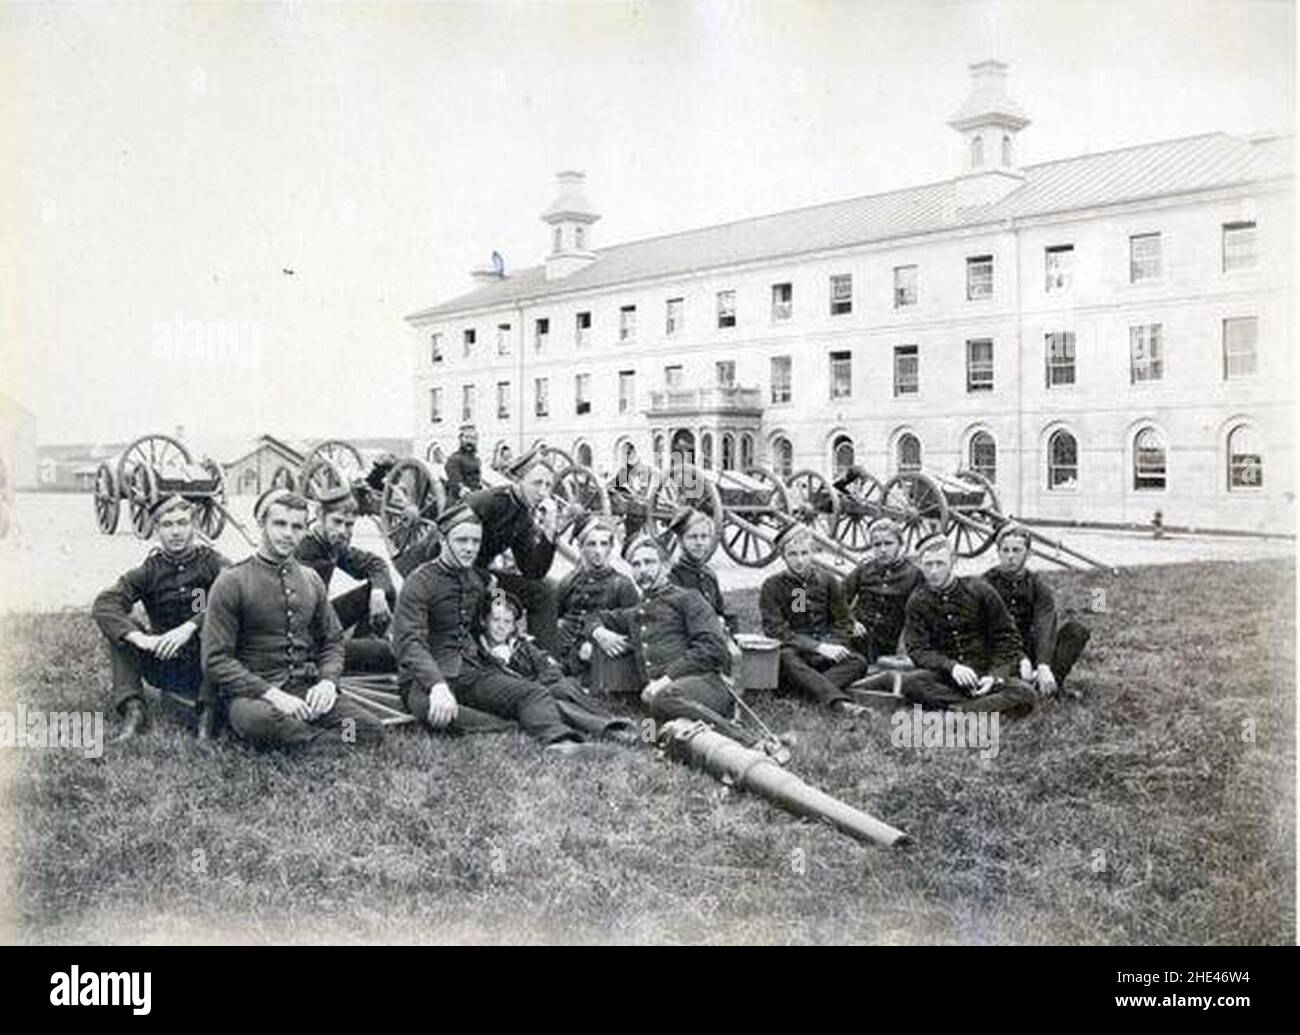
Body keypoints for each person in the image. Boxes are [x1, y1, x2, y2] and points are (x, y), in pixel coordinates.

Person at [201, 489, 385, 749]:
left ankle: (305, 737)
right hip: (253, 695)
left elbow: (332, 641)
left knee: (366, 728)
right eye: (279, 524)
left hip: (303, 688)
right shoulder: (232, 581)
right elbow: (216, 660)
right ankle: (318, 737)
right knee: (259, 721)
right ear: (261, 524)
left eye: (297, 526)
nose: (288, 534)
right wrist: (274, 695)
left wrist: (327, 682)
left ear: (305, 529)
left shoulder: (310, 579)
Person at [392, 503, 585, 749]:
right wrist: (437, 686)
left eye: (475, 541)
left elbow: (496, 605)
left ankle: (564, 741)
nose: (470, 548)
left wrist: (505, 628)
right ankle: (521, 726)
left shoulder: (475, 579)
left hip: (471, 672)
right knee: (491, 724)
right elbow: (409, 643)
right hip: (425, 683)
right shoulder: (419, 582)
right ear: (442, 539)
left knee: (531, 694)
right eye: (462, 540)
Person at [586, 533, 785, 757]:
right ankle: (682, 738)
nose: (643, 570)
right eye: (636, 564)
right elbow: (593, 617)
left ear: (665, 565)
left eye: (649, 562)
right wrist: (598, 632)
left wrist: (664, 680)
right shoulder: (636, 612)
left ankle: (749, 742)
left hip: (707, 686)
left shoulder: (689, 599)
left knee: (664, 698)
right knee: (645, 741)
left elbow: (712, 648)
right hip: (658, 699)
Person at [396, 447, 562, 654]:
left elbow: (533, 572)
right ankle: (498, 646)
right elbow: (439, 549)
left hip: (478, 576)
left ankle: (545, 660)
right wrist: (483, 579)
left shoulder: (523, 516)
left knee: (542, 591)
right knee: (497, 594)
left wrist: (549, 531)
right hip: (428, 570)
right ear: (519, 481)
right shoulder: (485, 501)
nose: (543, 492)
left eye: (547, 485)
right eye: (537, 483)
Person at [92, 495, 230, 740]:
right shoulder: (149, 571)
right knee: (124, 629)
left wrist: (190, 627)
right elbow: (105, 603)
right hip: (165, 661)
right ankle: (134, 710)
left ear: (194, 526)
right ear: (156, 530)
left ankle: (206, 717)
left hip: (208, 664)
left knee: (214, 619)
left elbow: (232, 599)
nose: (175, 532)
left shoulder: (212, 564)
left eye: (182, 523)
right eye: (167, 525)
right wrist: (141, 639)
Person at [901, 534, 1037, 717]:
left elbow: (1008, 637)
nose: (933, 571)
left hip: (985, 674)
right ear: (920, 565)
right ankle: (978, 708)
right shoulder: (917, 601)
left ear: (953, 561)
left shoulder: (980, 590)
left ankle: (957, 709)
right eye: (928, 564)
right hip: (947, 678)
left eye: (940, 564)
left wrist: (995, 676)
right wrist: (952, 667)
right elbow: (917, 649)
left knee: (1025, 694)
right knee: (912, 683)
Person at [475, 592, 638, 744]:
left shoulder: (521, 646)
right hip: (514, 701)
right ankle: (612, 730)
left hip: (541, 689)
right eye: (495, 620)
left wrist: (539, 687)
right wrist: (535, 692)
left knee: (563, 687)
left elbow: (550, 668)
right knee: (553, 703)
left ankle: (613, 719)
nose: (501, 626)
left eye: (507, 622)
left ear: (512, 627)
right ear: (484, 621)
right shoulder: (478, 651)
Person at [758, 524, 869, 715]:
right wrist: (816, 647)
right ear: (784, 556)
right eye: (792, 554)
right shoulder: (772, 586)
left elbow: (843, 621)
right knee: (785, 657)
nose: (799, 560)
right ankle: (839, 704)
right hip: (796, 654)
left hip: (825, 653)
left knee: (858, 661)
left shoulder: (828, 580)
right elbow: (776, 630)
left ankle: (802, 694)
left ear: (812, 553)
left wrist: (831, 645)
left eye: (804, 553)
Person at [982, 523, 1091, 697]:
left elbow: (1045, 624)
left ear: (1028, 554)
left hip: (1030, 646)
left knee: (1076, 631)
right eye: (1005, 550)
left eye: (1017, 550)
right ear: (998, 553)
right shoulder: (985, 584)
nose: (1010, 556)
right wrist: (1019, 657)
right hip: (1000, 651)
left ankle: (1047, 682)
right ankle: (1034, 688)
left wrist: (1043, 664)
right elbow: (988, 631)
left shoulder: (1037, 585)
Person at [295, 482, 395, 639]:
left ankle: (364, 645)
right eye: (337, 521)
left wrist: (377, 594)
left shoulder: (332, 543)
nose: (343, 531)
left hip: (320, 619)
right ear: (321, 516)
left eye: (349, 524)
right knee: (385, 653)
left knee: (384, 591)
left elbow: (376, 564)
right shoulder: (305, 549)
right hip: (303, 635)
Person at [554, 511, 639, 681]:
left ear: (610, 548)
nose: (598, 551)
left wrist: (596, 644)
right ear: (581, 547)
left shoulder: (622, 585)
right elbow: (553, 616)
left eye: (603, 544)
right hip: (561, 656)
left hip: (598, 661)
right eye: (591, 544)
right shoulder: (569, 580)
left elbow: (636, 632)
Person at [843, 517, 925, 662]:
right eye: (877, 545)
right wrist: (850, 621)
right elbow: (839, 598)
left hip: (889, 643)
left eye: (888, 543)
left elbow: (918, 616)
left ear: (900, 544)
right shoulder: (864, 570)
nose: (882, 550)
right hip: (856, 636)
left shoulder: (914, 574)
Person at [666, 507, 739, 636]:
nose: (699, 543)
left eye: (704, 537)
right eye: (693, 537)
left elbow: (721, 610)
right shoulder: (673, 577)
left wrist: (725, 622)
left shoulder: (708, 575)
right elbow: (674, 623)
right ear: (681, 541)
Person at [443, 423, 482, 501]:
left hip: (476, 496)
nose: (470, 441)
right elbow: (455, 479)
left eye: (473, 438)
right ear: (461, 439)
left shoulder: (476, 460)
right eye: (467, 437)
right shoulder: (454, 459)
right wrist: (462, 489)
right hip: (459, 499)